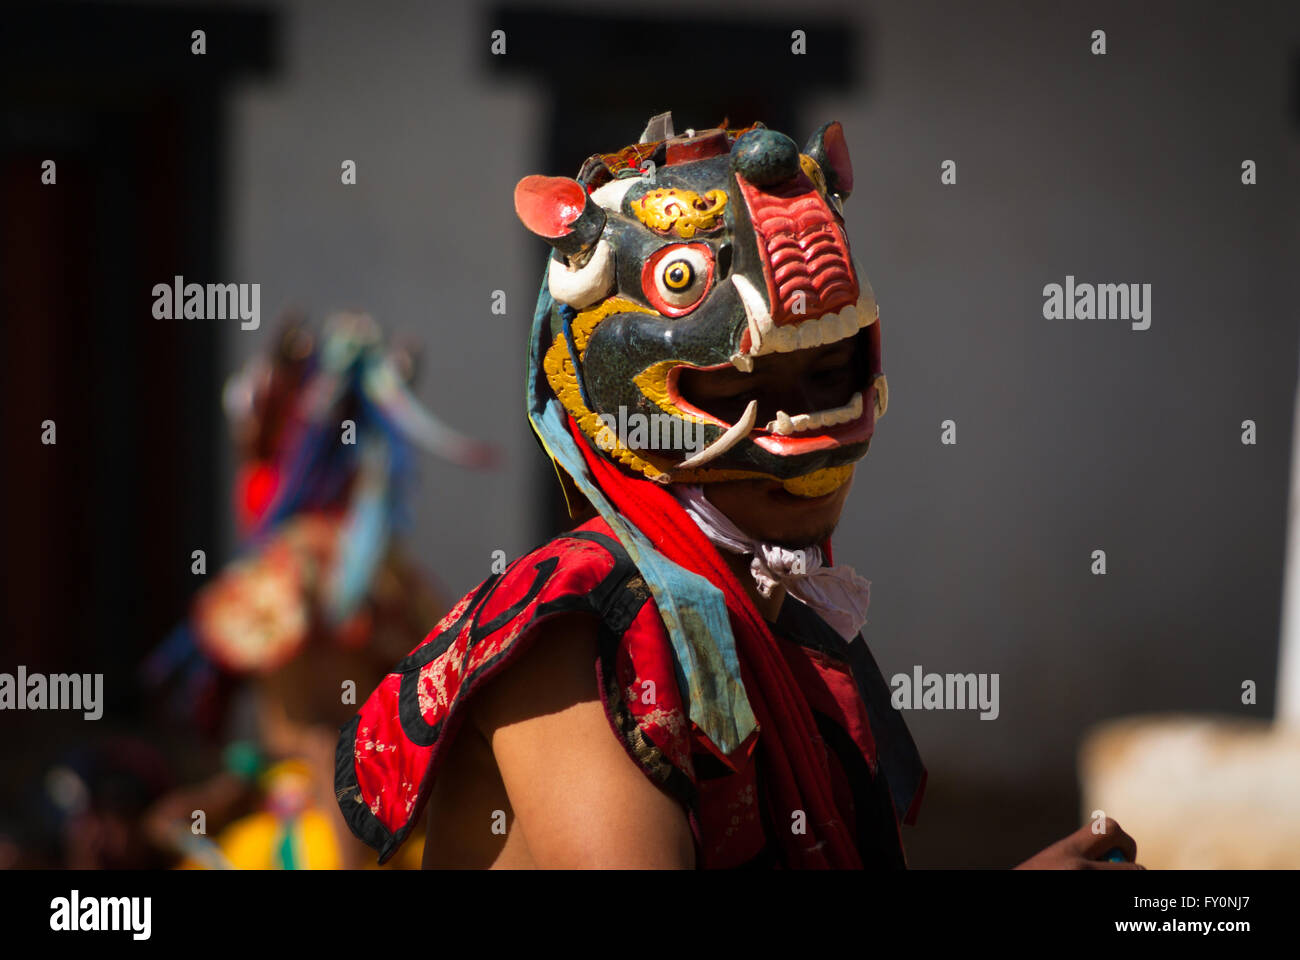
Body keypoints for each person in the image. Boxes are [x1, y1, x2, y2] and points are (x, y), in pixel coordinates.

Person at [336, 113, 1142, 870]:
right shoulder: (583, 627)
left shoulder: (774, 613)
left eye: (824, 374)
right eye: (741, 384)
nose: (797, 419)